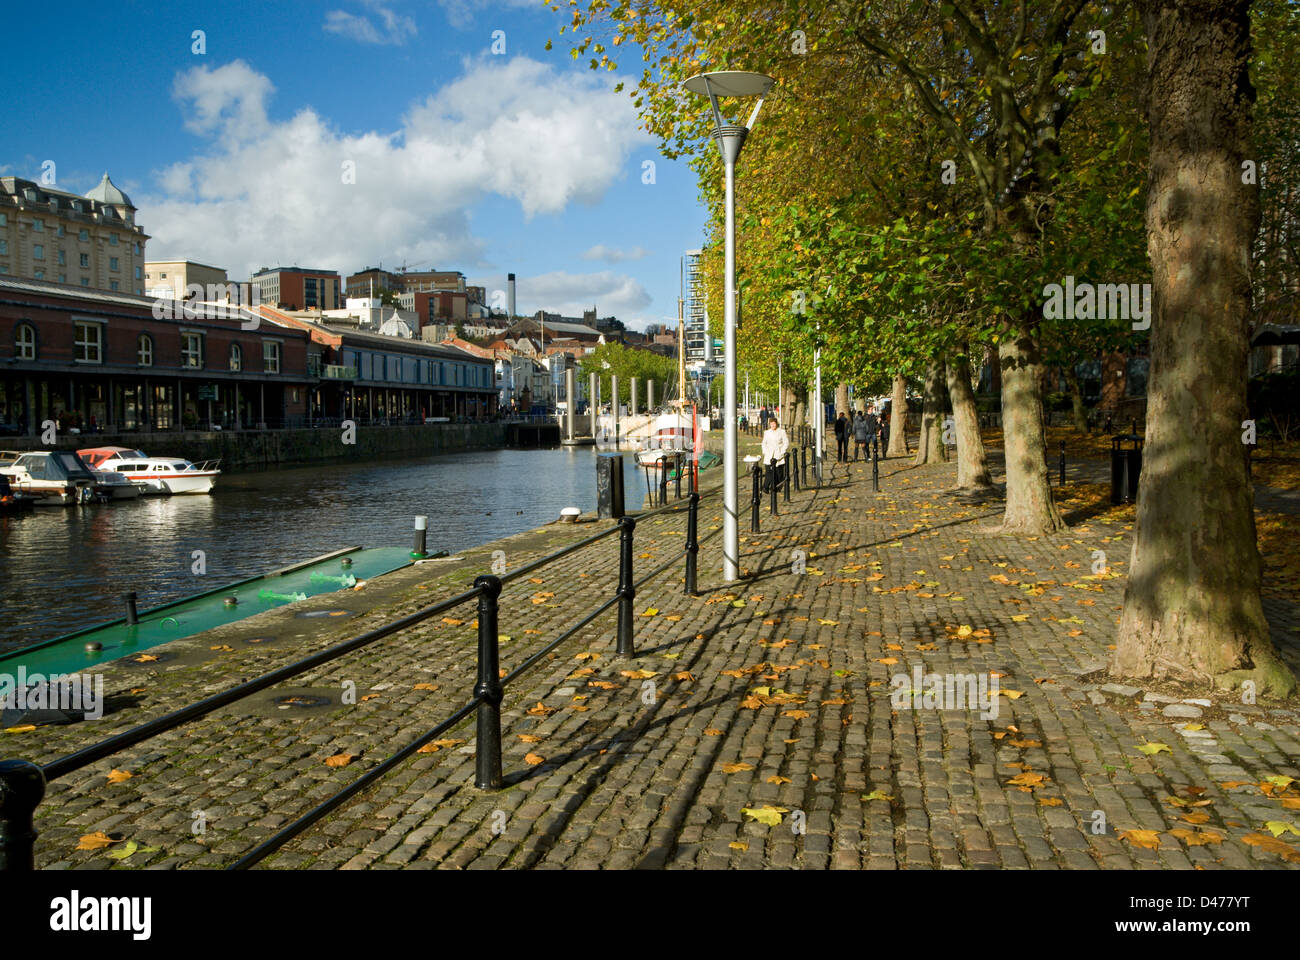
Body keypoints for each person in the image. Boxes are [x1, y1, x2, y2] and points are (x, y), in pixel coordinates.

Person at [761, 416, 790, 492]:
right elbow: (764, 443)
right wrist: (765, 451)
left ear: (776, 424)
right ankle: (766, 487)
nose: (773, 425)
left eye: (774, 424)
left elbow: (786, 442)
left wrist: (782, 451)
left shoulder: (782, 432)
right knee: (768, 471)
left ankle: (777, 486)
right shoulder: (767, 433)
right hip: (769, 454)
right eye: (771, 424)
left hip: (778, 453)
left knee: (778, 472)